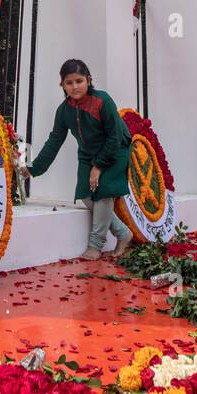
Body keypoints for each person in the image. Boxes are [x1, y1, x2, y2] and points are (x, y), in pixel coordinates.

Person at [24, 59, 133, 261]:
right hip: (88, 154)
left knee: (102, 193)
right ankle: (123, 234)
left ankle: (96, 244)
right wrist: (33, 168)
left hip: (114, 149)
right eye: (69, 82)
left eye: (79, 81)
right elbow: (54, 141)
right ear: (62, 85)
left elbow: (115, 135)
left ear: (88, 80)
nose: (74, 87)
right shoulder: (64, 110)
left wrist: (99, 166)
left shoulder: (102, 100)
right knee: (85, 193)